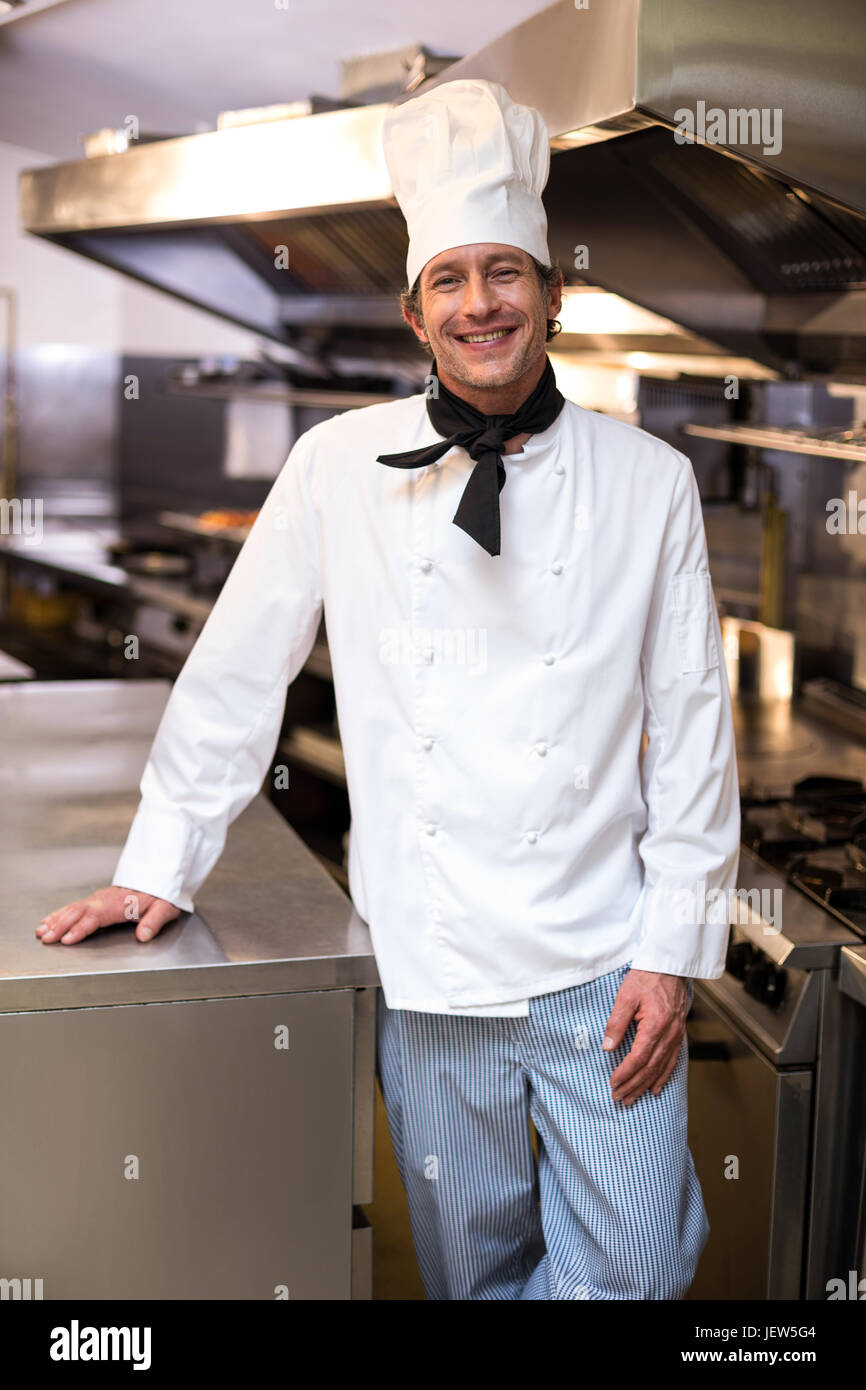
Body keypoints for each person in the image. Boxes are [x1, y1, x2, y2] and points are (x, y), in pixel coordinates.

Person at [38, 78, 740, 1300]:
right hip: (430, 964)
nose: (480, 304)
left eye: (504, 273)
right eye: (450, 281)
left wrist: (671, 948)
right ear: (416, 314)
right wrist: (162, 860)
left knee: (638, 1266)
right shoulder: (335, 466)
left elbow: (689, 729)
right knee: (471, 1273)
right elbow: (235, 671)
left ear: (551, 292)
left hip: (602, 962)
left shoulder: (649, 481)